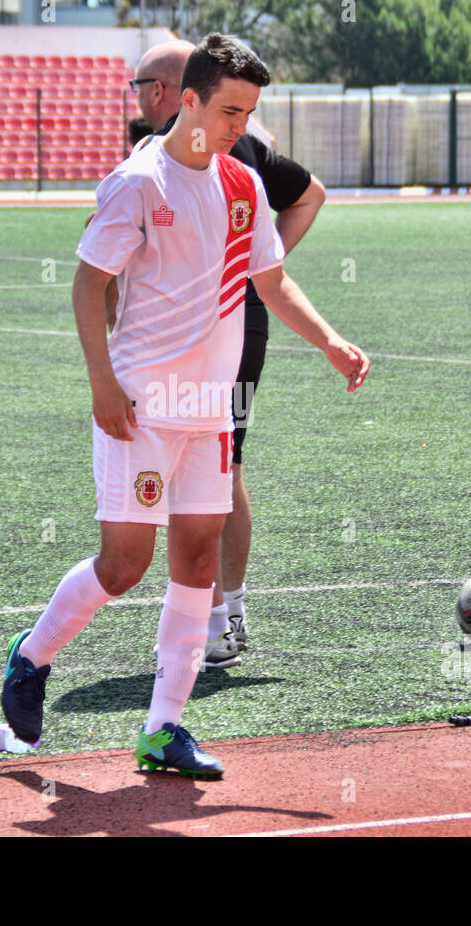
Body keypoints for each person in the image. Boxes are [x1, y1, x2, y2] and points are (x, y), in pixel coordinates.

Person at [0, 34, 369, 779]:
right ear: (188, 99)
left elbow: (273, 280)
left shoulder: (244, 185)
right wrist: (102, 383)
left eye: (251, 112)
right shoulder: (139, 183)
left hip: (210, 412)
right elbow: (88, 284)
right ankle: (31, 655)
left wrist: (329, 341)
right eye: (231, 110)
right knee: (126, 565)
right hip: (140, 407)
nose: (242, 126)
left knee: (197, 562)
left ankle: (165, 729)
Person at [128, 39, 327, 668]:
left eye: (139, 87)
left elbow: (307, 197)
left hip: (217, 330)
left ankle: (215, 618)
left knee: (212, 465)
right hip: (221, 326)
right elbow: (311, 193)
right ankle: (219, 615)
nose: (237, 123)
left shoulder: (208, 151)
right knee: (219, 463)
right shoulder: (196, 153)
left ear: (165, 90)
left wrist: (251, 270)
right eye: (232, 110)